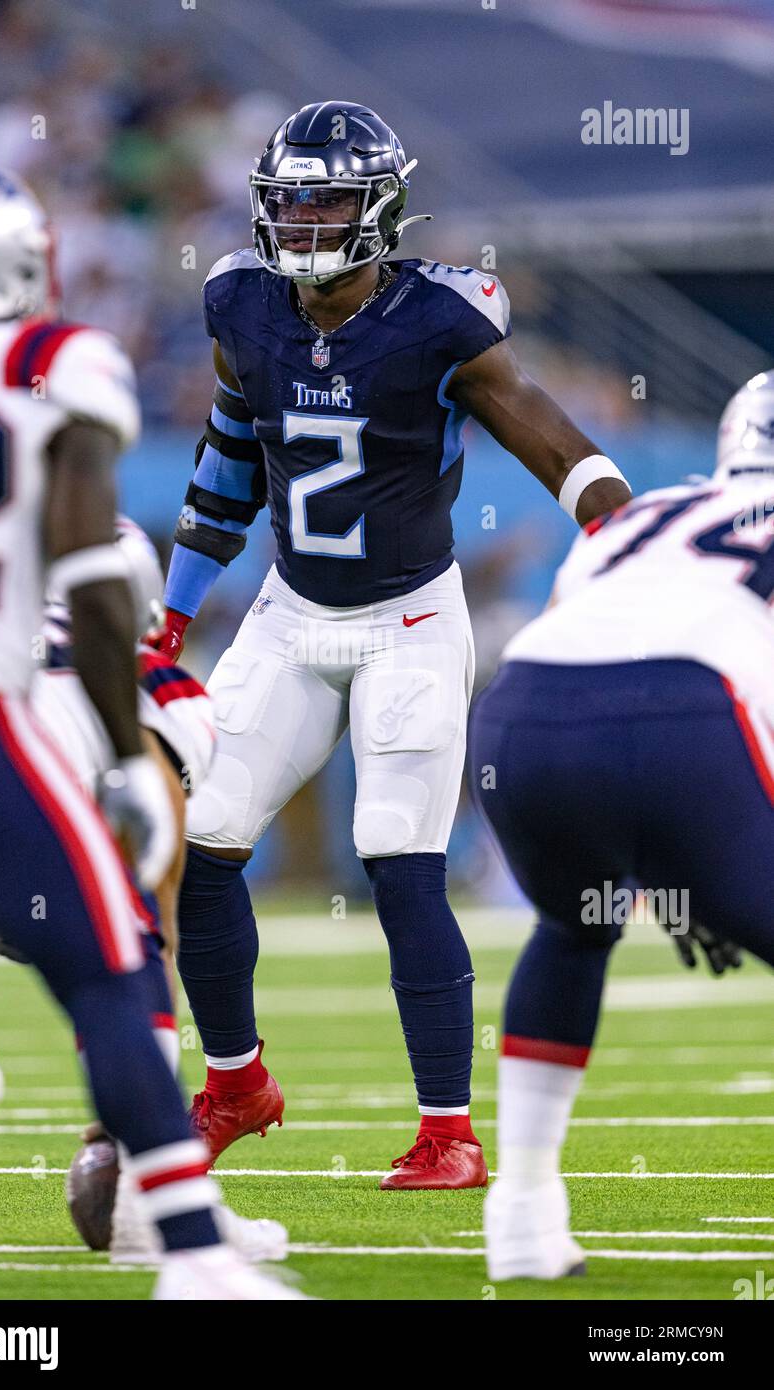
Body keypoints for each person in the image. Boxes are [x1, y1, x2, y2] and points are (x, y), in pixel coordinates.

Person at [149, 102, 630, 1188]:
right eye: (288, 199)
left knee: (397, 855)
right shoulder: (242, 302)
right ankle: (236, 1083)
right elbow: (230, 458)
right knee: (208, 834)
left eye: (326, 199)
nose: (303, 221)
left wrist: (621, 526)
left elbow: (551, 435)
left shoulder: (442, 322)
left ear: (378, 210)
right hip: (288, 610)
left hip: (409, 618)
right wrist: (174, 615)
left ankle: (449, 1133)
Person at [0, 150, 300, 1298]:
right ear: (27, 265)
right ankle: (175, 1242)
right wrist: (129, 760)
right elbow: (88, 561)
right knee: (116, 963)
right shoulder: (52, 359)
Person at [468, 371, 774, 1278]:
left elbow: (582, 655)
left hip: (520, 720)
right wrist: (708, 858)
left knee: (574, 927)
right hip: (678, 722)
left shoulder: (647, 516)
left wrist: (680, 873)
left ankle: (521, 1214)